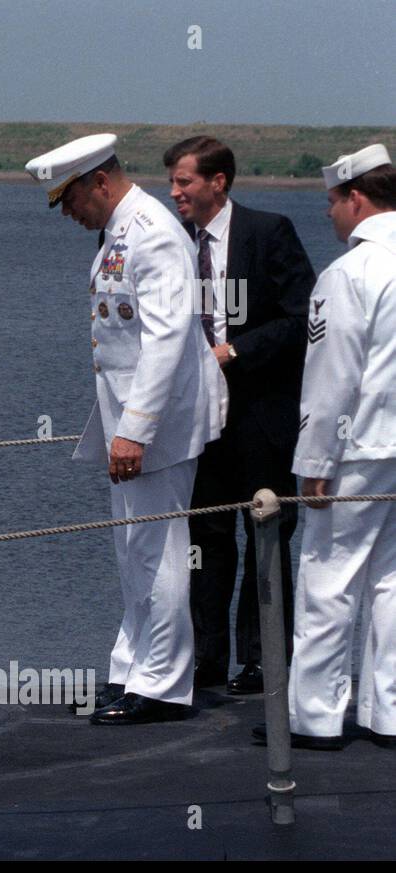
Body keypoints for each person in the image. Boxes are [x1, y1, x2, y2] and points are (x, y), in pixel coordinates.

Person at [24, 134, 225, 724]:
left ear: (100, 183)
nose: (67, 213)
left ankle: (161, 685)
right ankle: (132, 669)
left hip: (155, 426)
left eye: (70, 199)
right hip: (128, 423)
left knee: (158, 555)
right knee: (133, 551)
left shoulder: (153, 234)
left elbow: (164, 341)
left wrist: (135, 431)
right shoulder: (120, 233)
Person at [163, 136, 316, 695]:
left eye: (184, 181)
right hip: (199, 419)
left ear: (218, 182)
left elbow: (304, 319)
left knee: (267, 534)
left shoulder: (267, 232)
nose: (174, 191)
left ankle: (263, 659)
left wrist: (236, 350)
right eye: (173, 182)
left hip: (260, 414)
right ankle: (206, 659)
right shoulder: (172, 241)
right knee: (204, 537)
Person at [283, 144, 396, 750]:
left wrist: (314, 463)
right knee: (394, 582)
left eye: (331, 201)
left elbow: (331, 379)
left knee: (328, 581)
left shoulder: (348, 273)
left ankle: (317, 718)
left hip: (359, 451)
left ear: (356, 198)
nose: (328, 214)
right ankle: (390, 713)